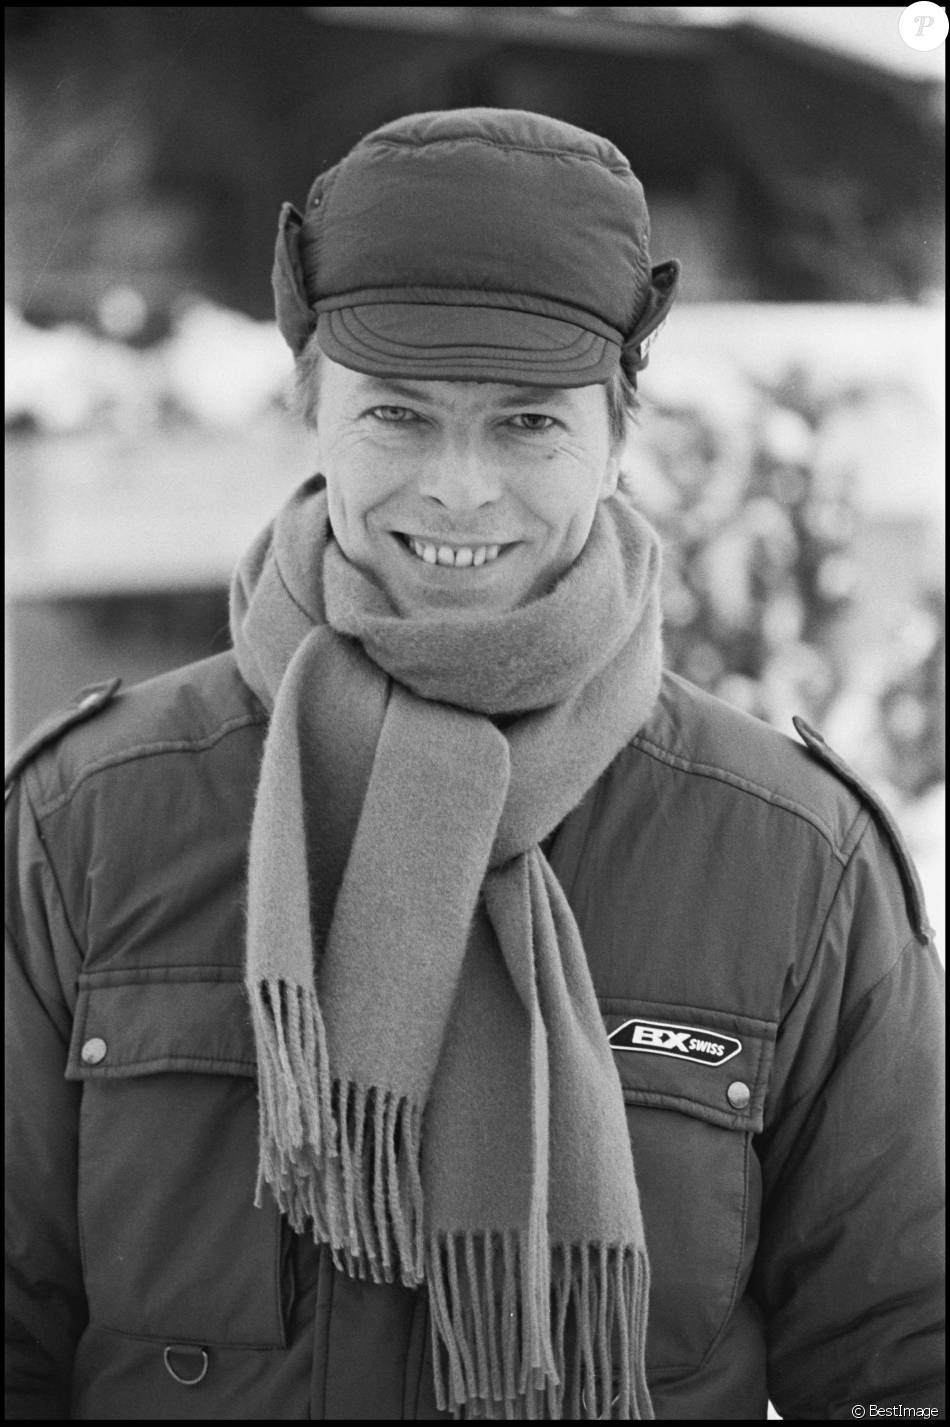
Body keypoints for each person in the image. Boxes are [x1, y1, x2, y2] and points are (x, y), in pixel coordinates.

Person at [4, 108, 944, 1423]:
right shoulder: (86, 819)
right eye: (397, 411)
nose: (457, 489)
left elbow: (901, 1351)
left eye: (525, 424)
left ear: (616, 433)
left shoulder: (793, 854)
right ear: (308, 406)